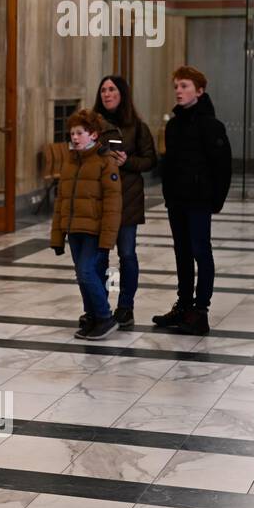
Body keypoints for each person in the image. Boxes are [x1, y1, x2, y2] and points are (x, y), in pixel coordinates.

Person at [153, 65, 232, 335]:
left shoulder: (212, 126)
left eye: (184, 86)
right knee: (182, 253)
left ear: (199, 90)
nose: (178, 91)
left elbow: (223, 167)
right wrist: (168, 192)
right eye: (176, 86)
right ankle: (184, 305)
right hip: (177, 200)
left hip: (199, 200)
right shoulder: (174, 125)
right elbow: (168, 162)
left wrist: (215, 201)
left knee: (201, 252)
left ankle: (200, 312)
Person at [50, 108, 123, 340]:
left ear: (93, 135)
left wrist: (107, 239)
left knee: (86, 271)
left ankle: (105, 317)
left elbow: (113, 204)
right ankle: (91, 315)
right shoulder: (70, 162)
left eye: (79, 133)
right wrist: (57, 236)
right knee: (82, 274)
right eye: (72, 133)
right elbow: (61, 201)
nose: (74, 137)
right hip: (74, 230)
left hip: (94, 231)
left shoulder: (105, 162)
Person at [93, 75, 157, 331]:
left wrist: (126, 161)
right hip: (101, 200)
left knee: (127, 255)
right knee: (100, 258)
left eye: (112, 90)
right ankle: (101, 306)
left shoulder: (138, 127)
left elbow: (150, 160)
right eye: (103, 90)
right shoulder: (93, 124)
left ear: (122, 94)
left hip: (128, 199)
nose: (107, 94)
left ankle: (125, 306)